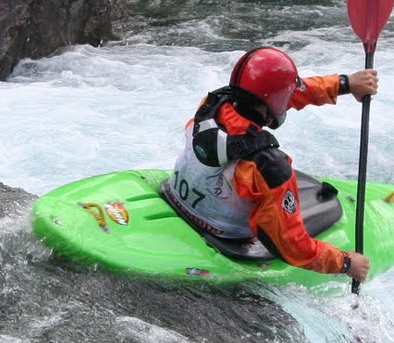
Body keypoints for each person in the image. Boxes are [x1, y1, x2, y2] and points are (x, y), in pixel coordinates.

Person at [160, 46, 378, 282]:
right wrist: (346, 263)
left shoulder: (212, 104)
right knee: (291, 215)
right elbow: (291, 246)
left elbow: (282, 93)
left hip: (178, 198)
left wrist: (345, 84)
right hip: (227, 236)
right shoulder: (267, 168)